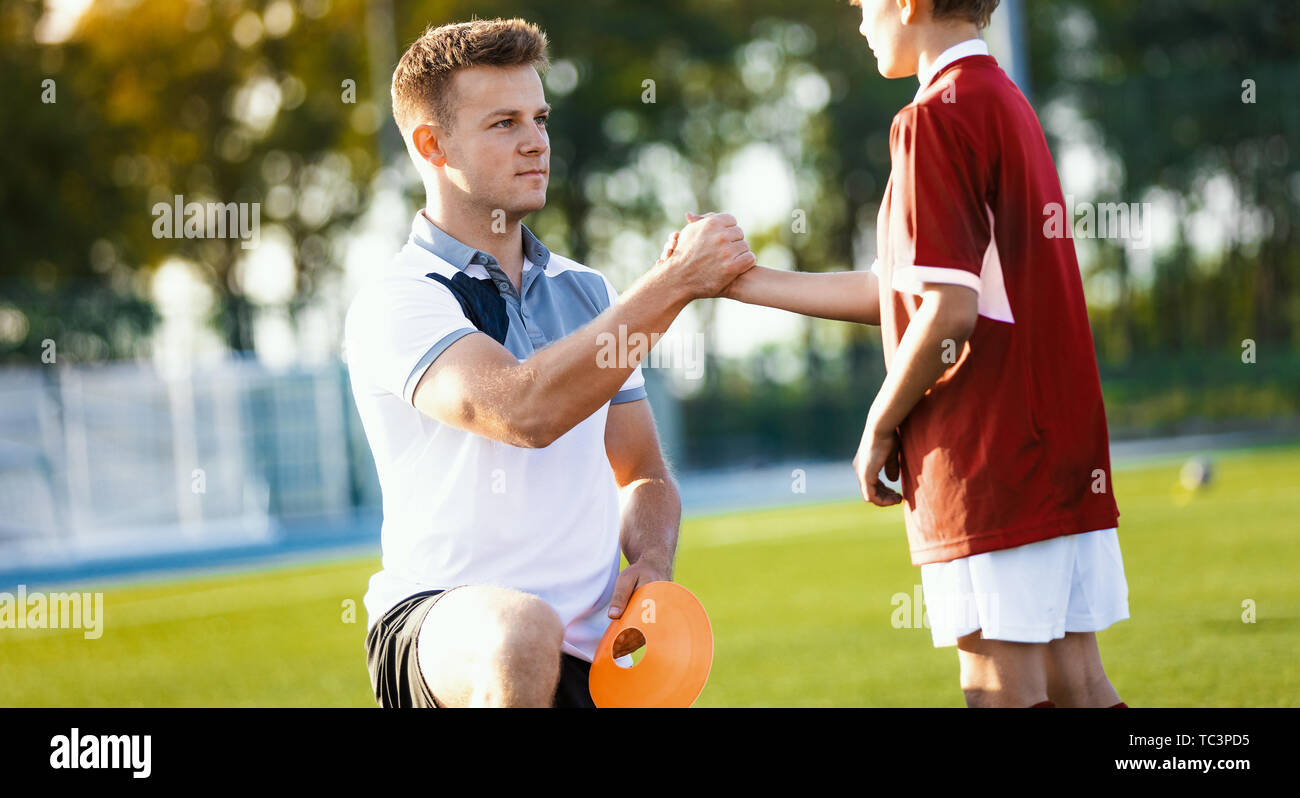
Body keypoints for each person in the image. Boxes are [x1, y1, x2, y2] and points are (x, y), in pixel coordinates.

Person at [720, 0, 1129, 707]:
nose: (856, 16)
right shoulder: (1003, 100)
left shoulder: (932, 117)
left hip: (989, 453)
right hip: (1055, 446)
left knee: (997, 692)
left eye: (862, 2)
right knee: (1077, 686)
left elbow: (949, 315)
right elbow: (906, 291)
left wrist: (880, 423)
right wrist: (745, 284)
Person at [344, 17, 754, 707]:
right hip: (441, 627)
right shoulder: (396, 301)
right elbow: (522, 410)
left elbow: (644, 472)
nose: (536, 141)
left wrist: (652, 560)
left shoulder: (588, 291)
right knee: (521, 632)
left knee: (533, 636)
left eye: (540, 117)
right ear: (431, 144)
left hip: (590, 649)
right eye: (504, 123)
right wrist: (676, 281)